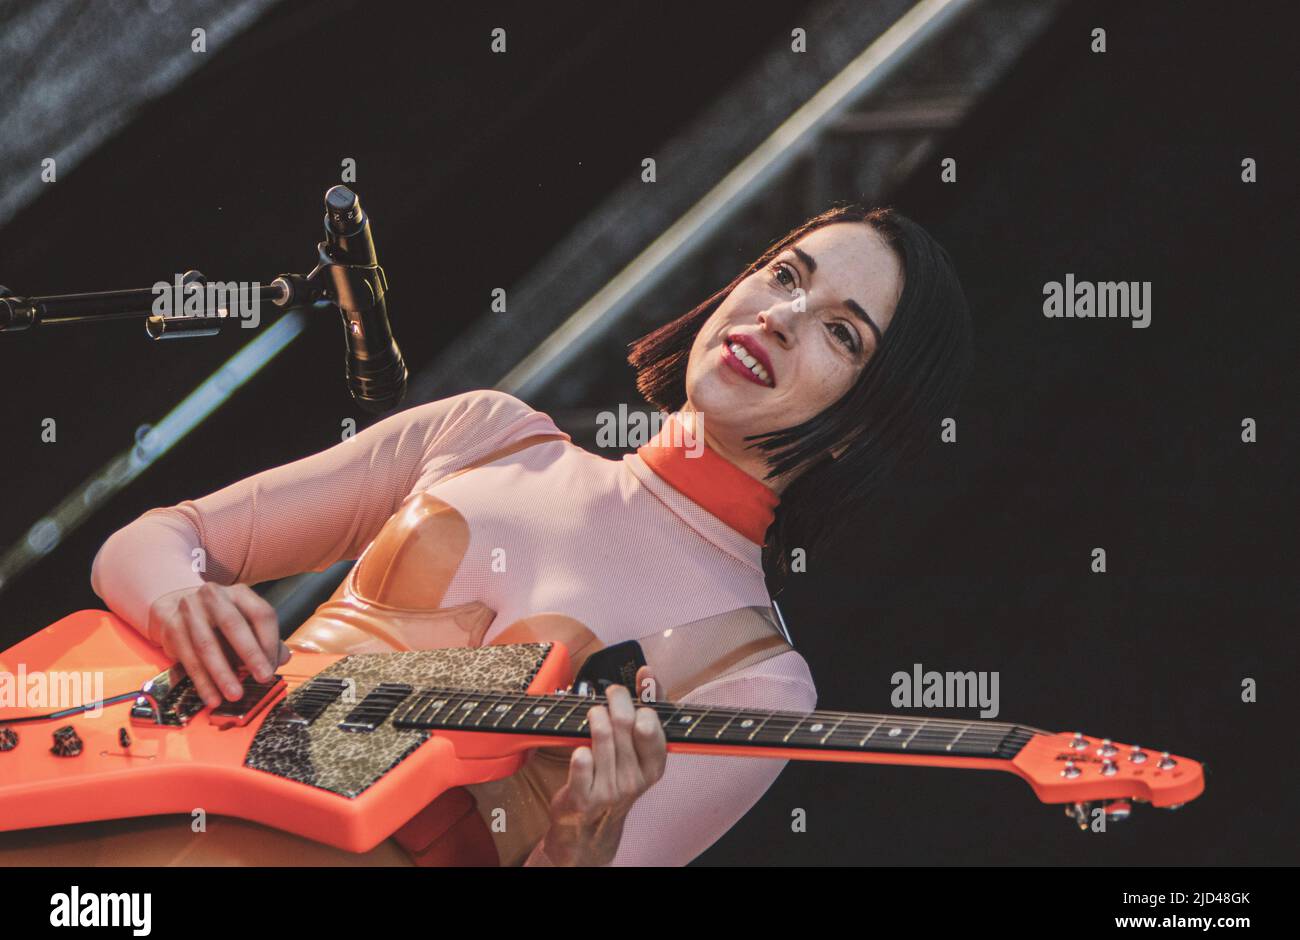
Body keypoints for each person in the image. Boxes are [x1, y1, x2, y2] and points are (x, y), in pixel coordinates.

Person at [8, 203, 972, 866]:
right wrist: (183, 599)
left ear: (866, 427)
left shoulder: (757, 681)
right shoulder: (489, 432)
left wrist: (582, 841)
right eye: (786, 274)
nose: (786, 314)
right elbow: (148, 541)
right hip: (105, 791)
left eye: (844, 333)